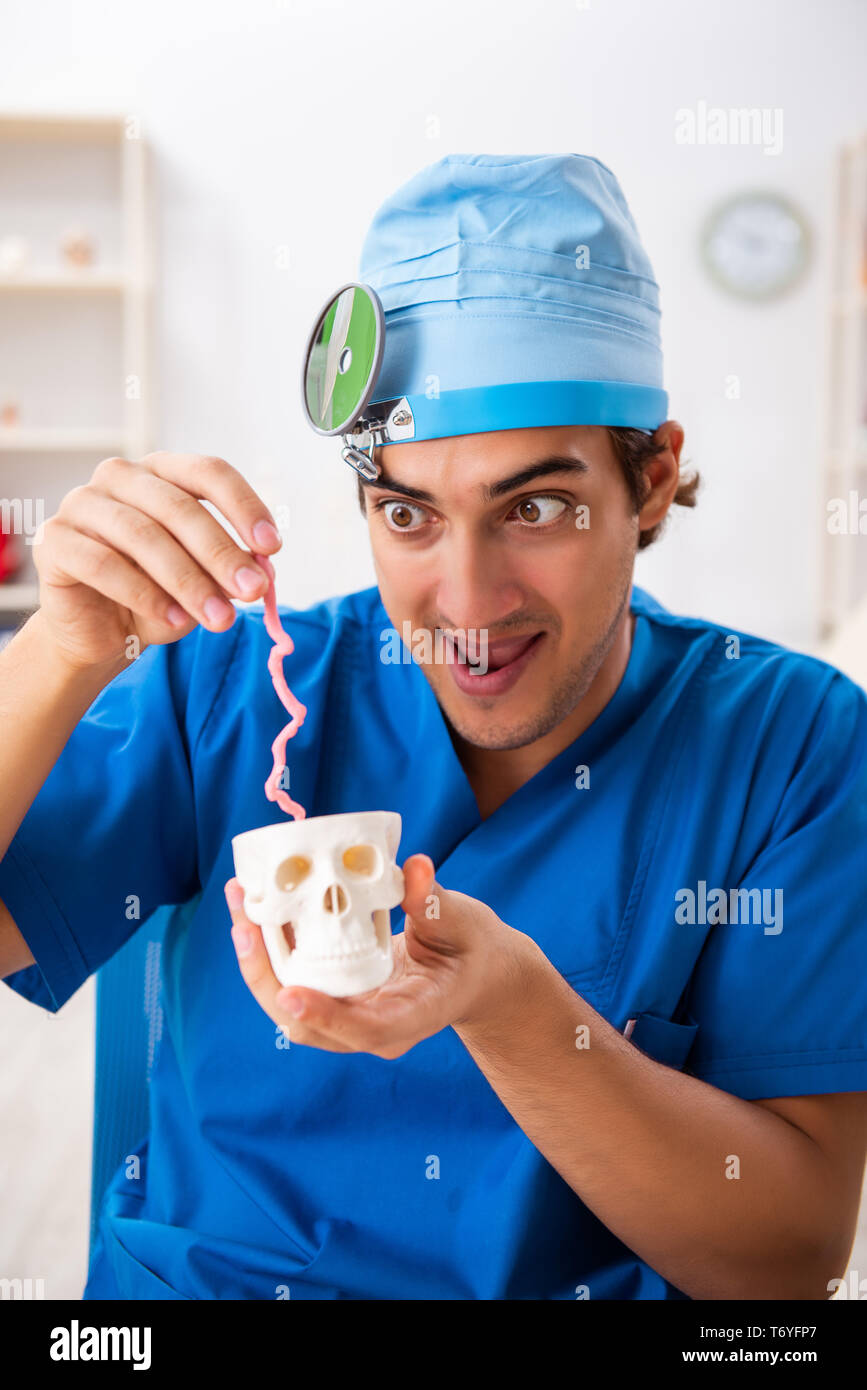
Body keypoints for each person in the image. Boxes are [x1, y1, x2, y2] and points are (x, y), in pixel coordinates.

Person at [1, 154, 866, 1302]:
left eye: (534, 509)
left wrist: (513, 1008)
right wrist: (54, 656)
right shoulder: (233, 689)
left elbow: (787, 1263)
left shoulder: (787, 743)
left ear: (652, 481)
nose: (466, 603)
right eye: (407, 513)